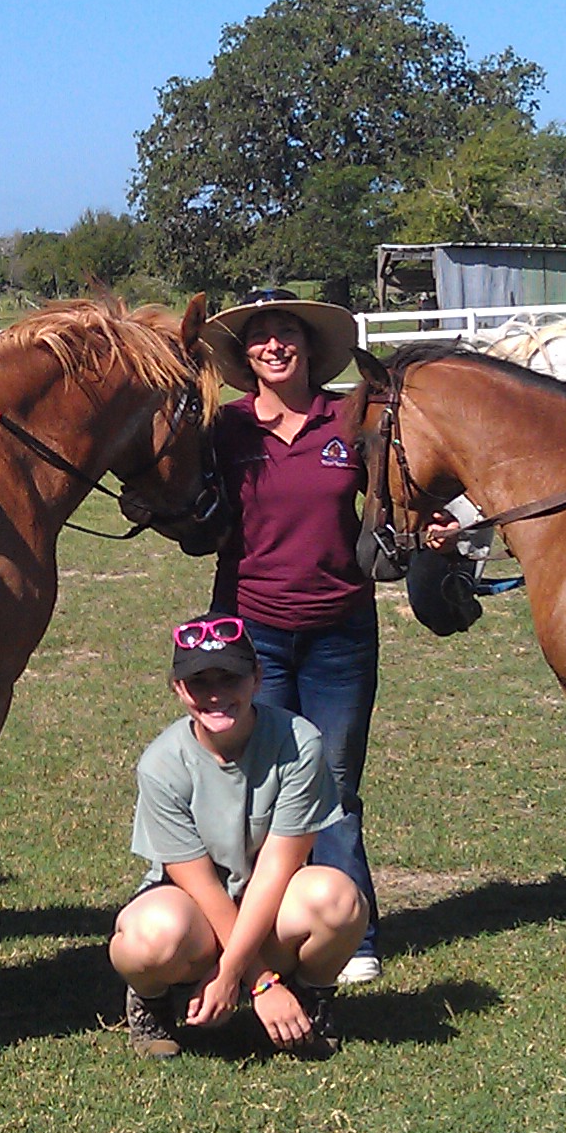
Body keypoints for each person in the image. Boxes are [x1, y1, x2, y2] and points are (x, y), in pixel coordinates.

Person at [203, 292, 388, 986]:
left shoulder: (348, 418)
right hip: (254, 632)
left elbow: (393, 495)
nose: (274, 347)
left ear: (310, 349)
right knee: (264, 782)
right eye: (260, 339)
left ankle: (353, 929)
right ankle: (263, 927)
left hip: (341, 629)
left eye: (286, 336)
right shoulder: (225, 430)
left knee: (335, 781)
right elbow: (190, 506)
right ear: (245, 356)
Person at [110, 615, 367, 1058]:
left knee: (338, 898)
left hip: (267, 909)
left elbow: (276, 868)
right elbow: (201, 885)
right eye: (198, 682)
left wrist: (242, 974)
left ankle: (311, 1000)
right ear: (176, 688)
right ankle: (152, 1004)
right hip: (196, 920)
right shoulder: (161, 765)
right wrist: (256, 980)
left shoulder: (299, 743)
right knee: (146, 937)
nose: (215, 695)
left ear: (257, 678)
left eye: (230, 678)